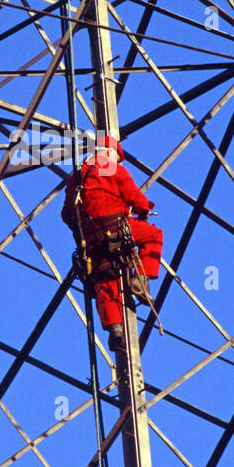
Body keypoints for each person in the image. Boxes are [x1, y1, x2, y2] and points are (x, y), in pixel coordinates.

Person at [62, 135, 163, 351]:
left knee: (106, 280)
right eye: (117, 156)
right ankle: (140, 280)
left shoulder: (77, 177)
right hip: (117, 228)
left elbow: (66, 214)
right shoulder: (111, 168)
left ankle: (115, 330)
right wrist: (144, 210)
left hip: (90, 241)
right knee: (153, 235)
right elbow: (133, 195)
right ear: (109, 152)